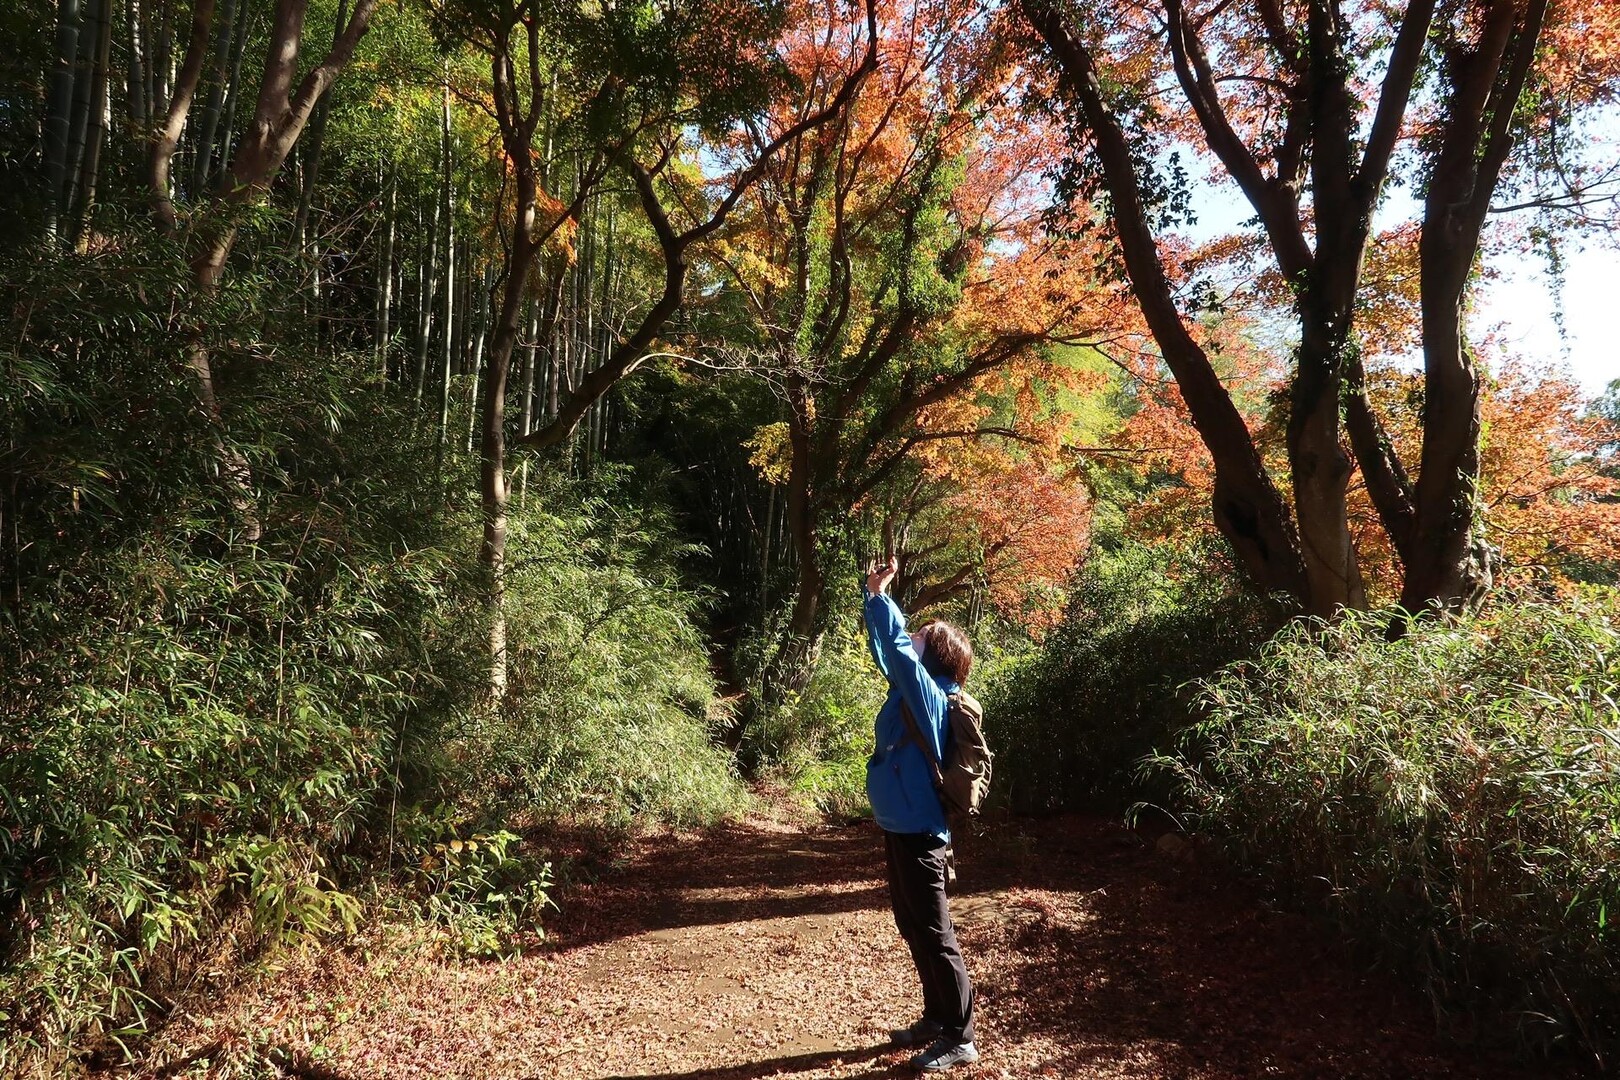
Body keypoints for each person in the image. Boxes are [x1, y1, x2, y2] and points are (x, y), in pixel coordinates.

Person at [863, 556, 979, 1072]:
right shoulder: (910, 691)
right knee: (912, 925)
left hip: (921, 833)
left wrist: (883, 598)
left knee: (936, 933)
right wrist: (873, 598)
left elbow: (899, 654)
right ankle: (936, 1018)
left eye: (922, 636)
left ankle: (960, 1036)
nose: (912, 636)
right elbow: (887, 652)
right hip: (899, 826)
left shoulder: (933, 699)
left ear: (935, 656)